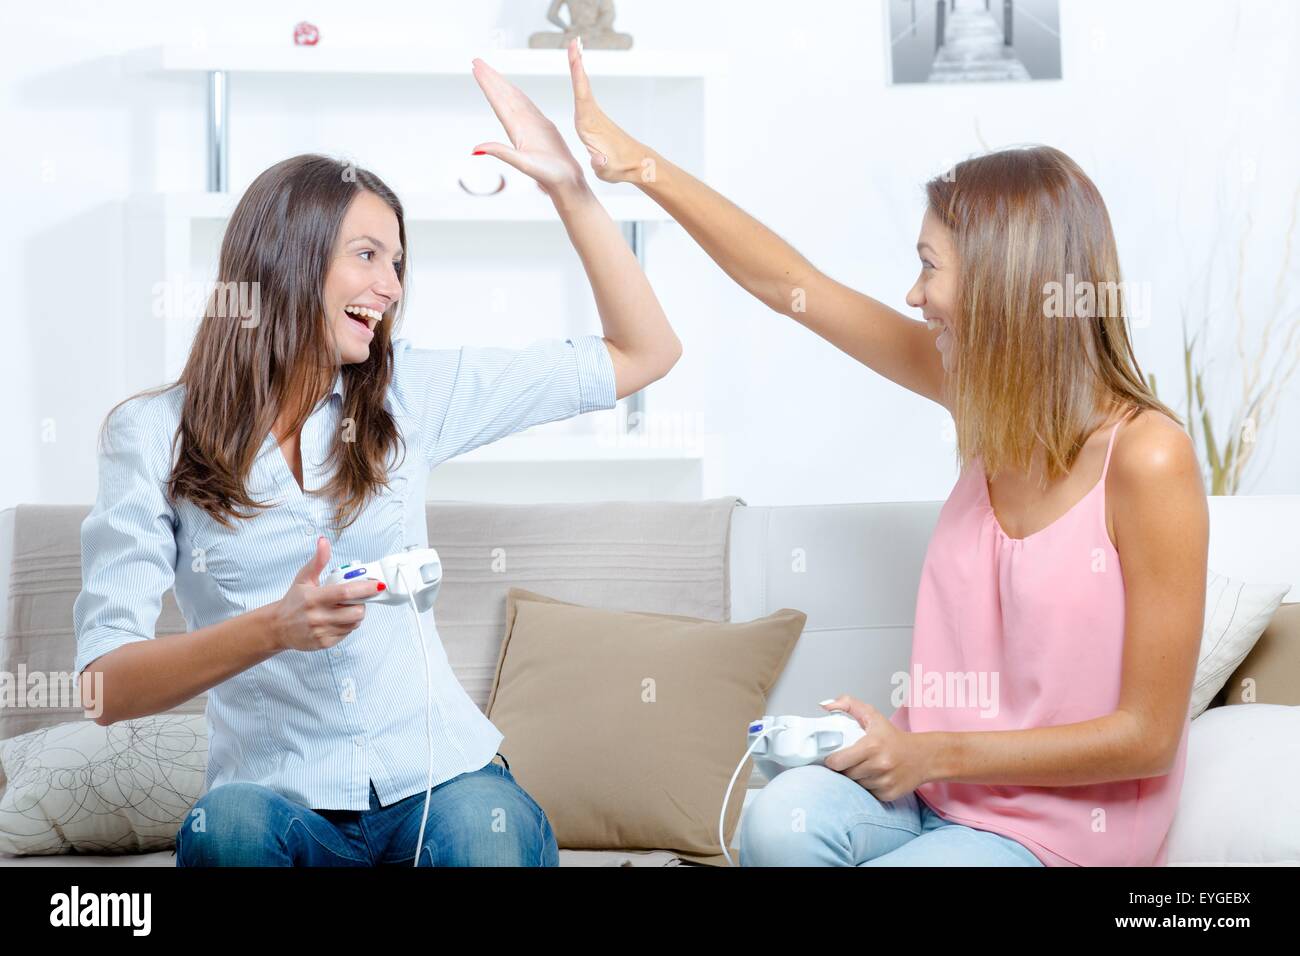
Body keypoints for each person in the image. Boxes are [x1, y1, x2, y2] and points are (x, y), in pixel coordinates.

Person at [562, 39, 1207, 866]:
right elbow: (791, 285)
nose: (913, 295)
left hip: (1060, 835)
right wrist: (638, 165)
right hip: (937, 793)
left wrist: (934, 751)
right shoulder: (982, 399)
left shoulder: (1149, 460)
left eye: (929, 267)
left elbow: (1148, 738)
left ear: (1003, 284)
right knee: (777, 820)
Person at [72, 55, 680, 867]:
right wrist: (272, 629)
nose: (390, 286)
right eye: (367, 255)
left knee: (478, 837)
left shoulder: (408, 395)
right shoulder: (151, 435)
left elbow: (646, 351)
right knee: (231, 834)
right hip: (281, 805)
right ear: (286, 259)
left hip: (442, 786)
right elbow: (101, 688)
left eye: (397, 262)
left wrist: (570, 188)